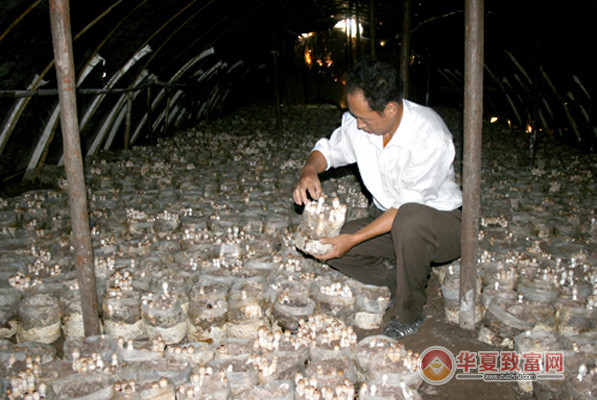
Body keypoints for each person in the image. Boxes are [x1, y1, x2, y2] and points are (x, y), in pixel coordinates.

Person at [293, 58, 463, 338]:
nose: (357, 125)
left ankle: (410, 311)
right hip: (388, 221)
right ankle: (405, 278)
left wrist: (353, 240)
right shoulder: (360, 124)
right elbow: (329, 151)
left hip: (438, 224)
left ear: (391, 109)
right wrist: (309, 169)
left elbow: (406, 207)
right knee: (320, 245)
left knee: (409, 219)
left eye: (365, 118)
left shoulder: (429, 135)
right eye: (354, 115)